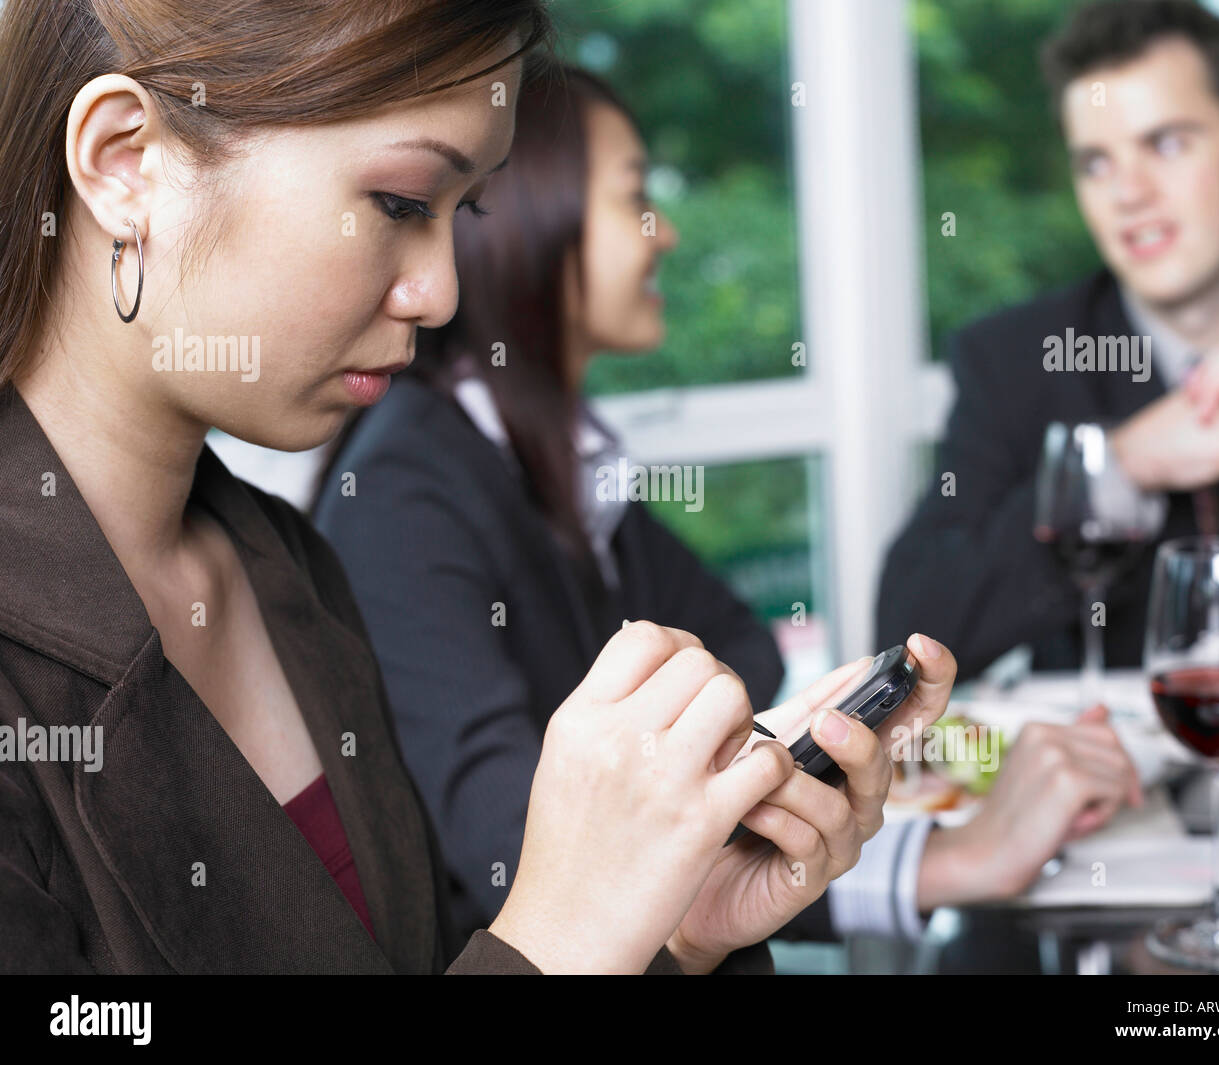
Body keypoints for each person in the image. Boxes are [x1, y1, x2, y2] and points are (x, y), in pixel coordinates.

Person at [0, 0, 954, 976]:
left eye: (466, 213)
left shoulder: (290, 573)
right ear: (125, 163)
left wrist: (668, 932)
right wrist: (559, 938)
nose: (443, 294)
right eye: (403, 202)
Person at [315, 62, 1144, 951]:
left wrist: (701, 770)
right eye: (634, 199)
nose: (664, 232)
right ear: (526, 217)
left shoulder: (552, 461)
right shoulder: (407, 493)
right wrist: (944, 859)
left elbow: (738, 638)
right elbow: (523, 856)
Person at [877, 0, 1219, 676]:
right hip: (1118, 779)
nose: (1128, 193)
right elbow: (908, 630)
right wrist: (1113, 467)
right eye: (1096, 163)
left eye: (1166, 144)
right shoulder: (1013, 360)